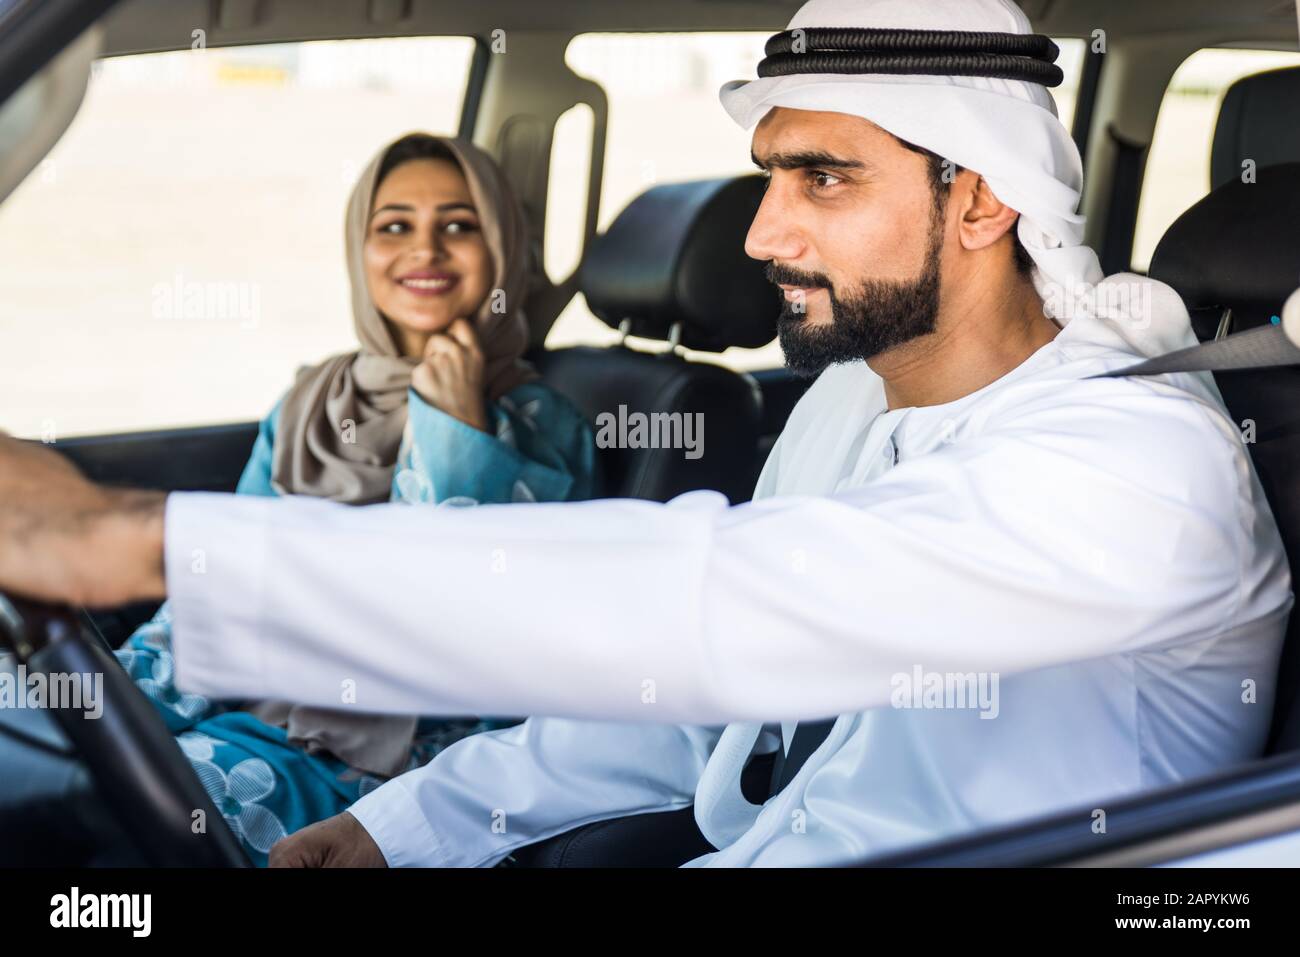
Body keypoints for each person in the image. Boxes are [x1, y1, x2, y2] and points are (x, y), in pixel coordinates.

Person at [0, 0, 1289, 867]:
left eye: (823, 178)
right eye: (771, 176)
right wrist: (411, 825)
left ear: (982, 201)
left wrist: (146, 538)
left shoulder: (1136, 465)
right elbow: (700, 701)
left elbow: (709, 604)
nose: (763, 233)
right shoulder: (854, 399)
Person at [106, 131, 598, 864]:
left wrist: (453, 425)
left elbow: (437, 614)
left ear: (500, 248)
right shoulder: (313, 398)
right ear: (358, 250)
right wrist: (116, 703)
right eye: (393, 226)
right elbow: (226, 583)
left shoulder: (544, 422)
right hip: (256, 715)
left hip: (399, 761)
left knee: (125, 830)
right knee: (76, 778)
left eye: (458, 226)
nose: (423, 251)